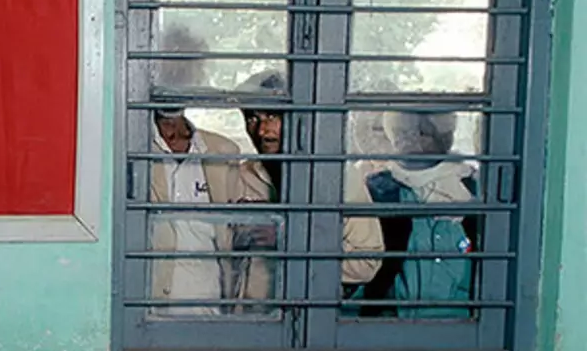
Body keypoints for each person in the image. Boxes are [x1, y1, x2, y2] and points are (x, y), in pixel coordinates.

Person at [236, 71, 382, 302]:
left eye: (273, 116)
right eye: (252, 119)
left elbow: (367, 263)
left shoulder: (339, 179)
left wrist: (289, 238)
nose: (263, 130)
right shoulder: (242, 175)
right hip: (249, 321)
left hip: (309, 316)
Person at [360, 110, 478, 318]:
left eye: (424, 131)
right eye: (404, 130)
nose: (413, 138)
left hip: (464, 336)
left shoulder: (473, 191)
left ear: (446, 136)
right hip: (388, 334)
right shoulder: (379, 191)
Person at [148, 106, 246, 316]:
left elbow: (237, 227)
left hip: (210, 305)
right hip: (148, 308)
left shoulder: (223, 152)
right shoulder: (132, 148)